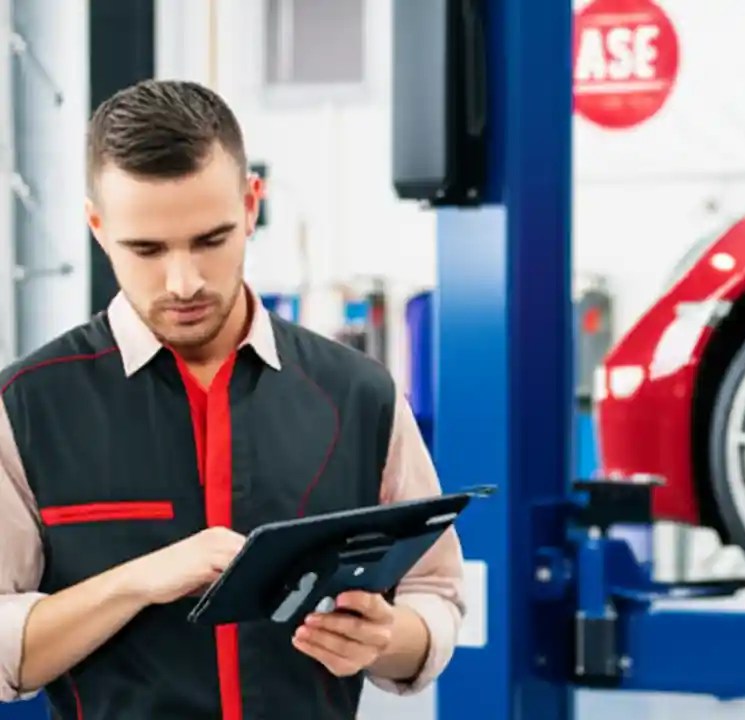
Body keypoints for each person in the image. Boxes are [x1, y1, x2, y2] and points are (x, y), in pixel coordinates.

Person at [0, 79, 465, 719]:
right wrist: (138, 582)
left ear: (251, 206)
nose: (183, 281)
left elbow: (435, 594)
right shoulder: (26, 407)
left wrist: (386, 639)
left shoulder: (358, 394)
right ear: (98, 228)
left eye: (211, 240)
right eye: (147, 250)